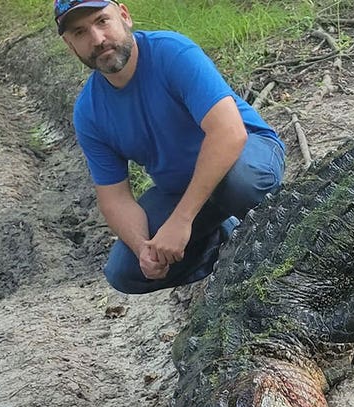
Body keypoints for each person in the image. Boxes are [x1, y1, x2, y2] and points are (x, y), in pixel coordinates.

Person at [54, 0, 285, 294]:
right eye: (80, 32)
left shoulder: (172, 53)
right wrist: (143, 248)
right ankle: (228, 245)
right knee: (125, 270)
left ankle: (283, 233)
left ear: (124, 15)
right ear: (70, 44)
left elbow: (228, 133)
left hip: (246, 154)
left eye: (102, 21)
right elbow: (114, 198)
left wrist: (181, 220)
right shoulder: (89, 112)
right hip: (181, 190)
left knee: (241, 184)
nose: (97, 39)